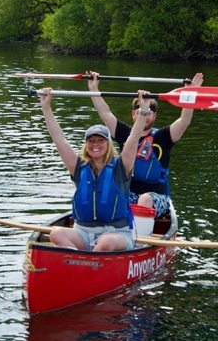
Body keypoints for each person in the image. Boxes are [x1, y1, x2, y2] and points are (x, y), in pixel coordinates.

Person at [38, 87, 152, 252]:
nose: (95, 145)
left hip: (116, 232)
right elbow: (59, 139)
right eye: (91, 141)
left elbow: (133, 140)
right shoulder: (78, 167)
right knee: (56, 234)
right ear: (86, 144)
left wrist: (143, 111)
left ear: (108, 144)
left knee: (105, 244)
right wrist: (46, 107)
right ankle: (77, 261)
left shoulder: (121, 166)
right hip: (83, 231)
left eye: (100, 140)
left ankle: (85, 264)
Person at [88, 71, 204, 219]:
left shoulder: (164, 136)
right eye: (142, 111)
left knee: (145, 199)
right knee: (105, 192)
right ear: (134, 114)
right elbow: (105, 114)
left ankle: (140, 240)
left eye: (149, 112)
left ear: (154, 116)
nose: (146, 115)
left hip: (156, 197)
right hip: (128, 193)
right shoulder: (124, 134)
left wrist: (190, 92)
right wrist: (94, 90)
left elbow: (184, 121)